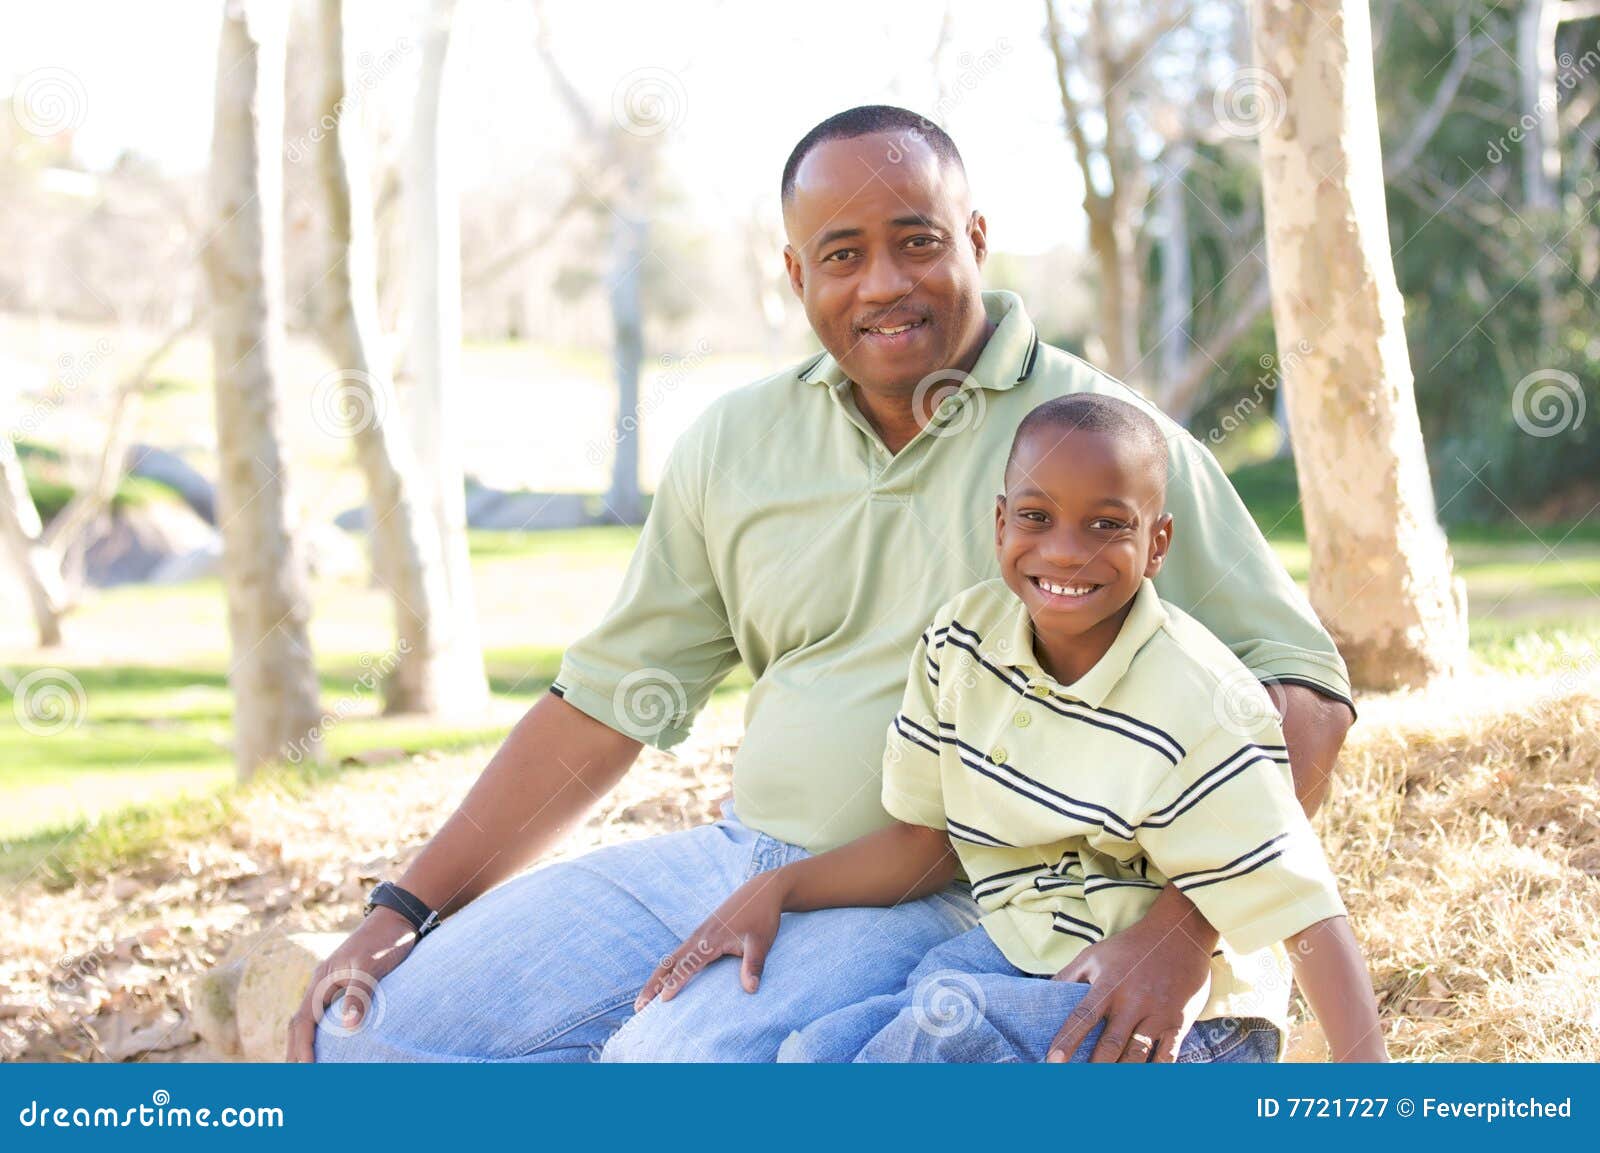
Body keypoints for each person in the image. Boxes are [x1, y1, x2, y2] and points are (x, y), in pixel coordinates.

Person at [297, 105, 1357, 1064]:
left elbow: (1301, 696)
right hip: (741, 857)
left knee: (669, 1070)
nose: (885, 283)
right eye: (842, 254)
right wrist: (402, 908)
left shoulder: (1098, 446)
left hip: (964, 887)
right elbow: (602, 710)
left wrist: (1178, 931)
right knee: (366, 1034)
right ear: (795, 277)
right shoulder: (736, 440)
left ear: (976, 241)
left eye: (918, 241)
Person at [636, 394, 1386, 1063]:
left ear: (1157, 543)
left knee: (923, 1047)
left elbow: (1305, 906)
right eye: (1037, 516)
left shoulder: (1199, 697)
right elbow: (923, 844)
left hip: (1186, 1024)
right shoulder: (960, 642)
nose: (1065, 549)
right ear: (1001, 523)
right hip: (1020, 955)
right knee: (817, 1051)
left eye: (1107, 525)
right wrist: (779, 885)